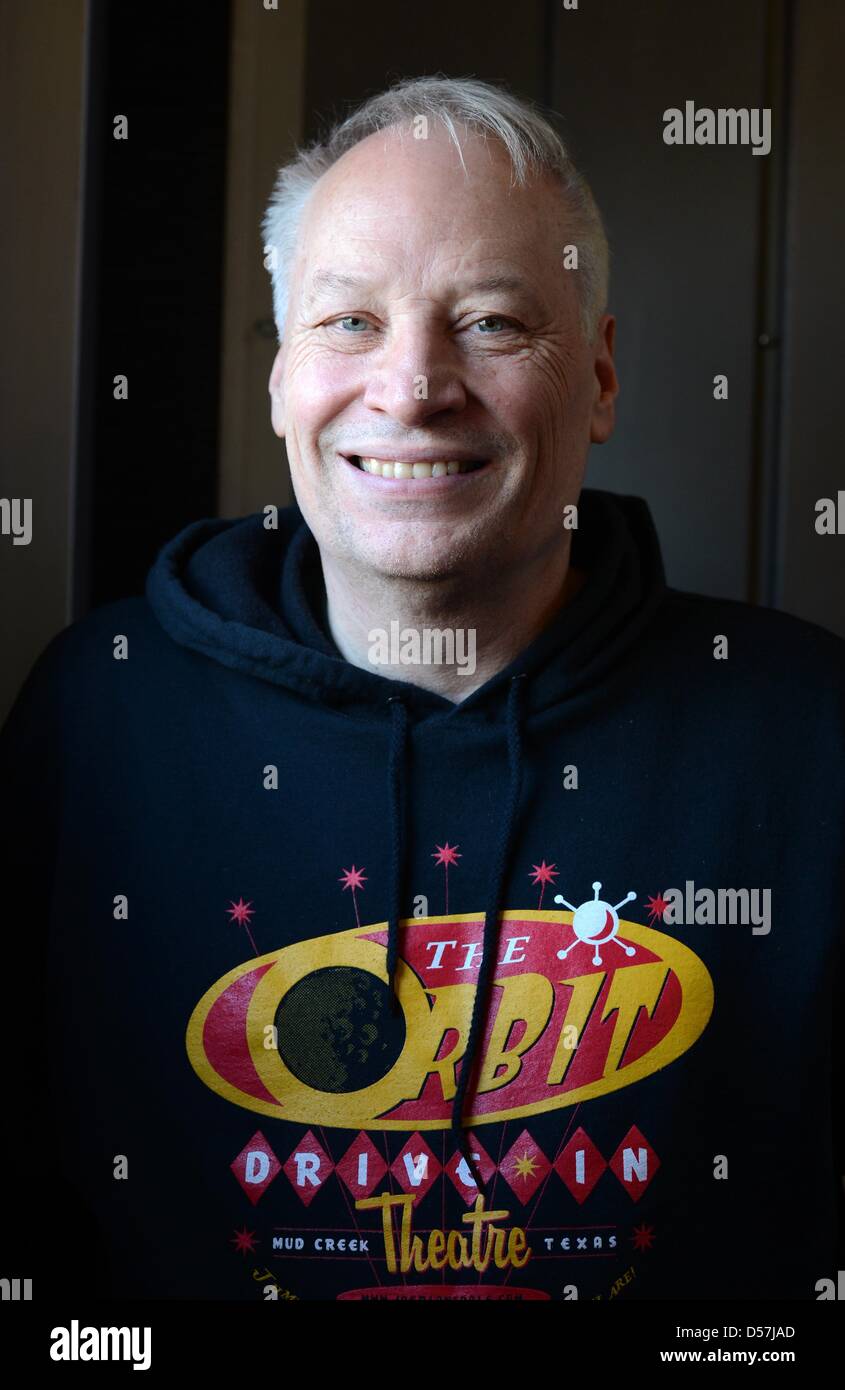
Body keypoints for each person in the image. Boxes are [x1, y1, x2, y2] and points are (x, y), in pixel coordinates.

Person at [1, 75, 842, 1302]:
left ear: (599, 377)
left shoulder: (808, 734)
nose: (409, 387)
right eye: (347, 322)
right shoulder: (95, 715)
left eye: (492, 322)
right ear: (281, 375)